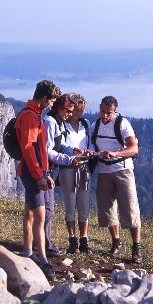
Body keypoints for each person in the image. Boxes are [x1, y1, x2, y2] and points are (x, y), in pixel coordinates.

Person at [15, 79, 61, 280]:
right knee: (40, 216)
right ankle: (43, 260)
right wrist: (39, 176)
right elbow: (28, 148)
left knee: (31, 215)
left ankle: (27, 252)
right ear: (44, 98)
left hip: (36, 172)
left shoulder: (35, 114)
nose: (52, 105)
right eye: (51, 101)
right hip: (30, 172)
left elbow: (39, 150)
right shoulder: (30, 116)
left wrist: (46, 173)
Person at [91, 95, 142, 264]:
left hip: (123, 170)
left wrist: (116, 153)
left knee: (130, 208)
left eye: (109, 113)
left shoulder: (122, 124)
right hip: (104, 170)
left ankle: (136, 248)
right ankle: (116, 243)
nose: (105, 116)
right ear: (99, 108)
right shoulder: (95, 125)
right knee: (108, 209)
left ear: (115, 111)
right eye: (102, 112)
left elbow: (134, 149)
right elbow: (92, 145)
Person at [42, 95, 83, 257]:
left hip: (49, 170)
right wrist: (69, 160)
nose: (68, 114)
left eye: (71, 111)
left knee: (45, 209)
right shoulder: (50, 122)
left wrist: (73, 150)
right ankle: (45, 244)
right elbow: (48, 151)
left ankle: (41, 242)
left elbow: (60, 144)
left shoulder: (57, 122)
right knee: (47, 209)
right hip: (44, 170)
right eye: (66, 110)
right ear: (58, 107)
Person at [55, 93, 92, 253]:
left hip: (84, 166)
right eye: (76, 109)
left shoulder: (86, 124)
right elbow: (60, 146)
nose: (78, 113)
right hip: (68, 167)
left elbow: (91, 143)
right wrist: (73, 153)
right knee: (70, 205)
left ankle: (84, 239)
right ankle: (72, 239)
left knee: (83, 205)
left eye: (81, 109)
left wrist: (90, 153)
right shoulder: (62, 126)